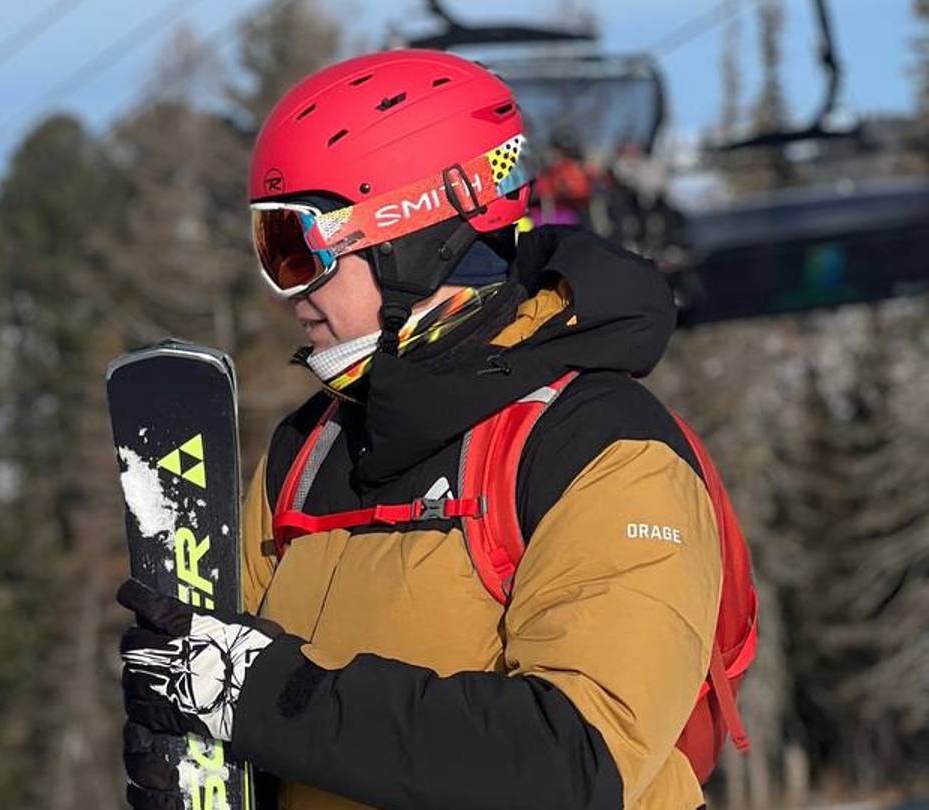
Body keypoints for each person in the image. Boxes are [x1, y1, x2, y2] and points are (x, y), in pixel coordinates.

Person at [118, 49, 734, 810]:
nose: (286, 291)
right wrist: (207, 756)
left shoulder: (601, 446)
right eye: (268, 249)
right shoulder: (308, 454)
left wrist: (264, 696)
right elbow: (275, 724)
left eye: (296, 247)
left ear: (409, 237)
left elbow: (577, 759)